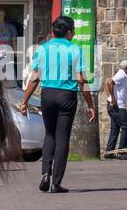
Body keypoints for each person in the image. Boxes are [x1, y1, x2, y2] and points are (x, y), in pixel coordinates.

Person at [19, 16, 95, 193]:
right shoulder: (75, 49)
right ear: (69, 32)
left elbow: (35, 78)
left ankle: (45, 173)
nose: (74, 33)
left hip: (47, 95)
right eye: (73, 30)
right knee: (62, 138)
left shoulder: (43, 49)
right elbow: (81, 80)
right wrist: (91, 105)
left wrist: (24, 101)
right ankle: (56, 182)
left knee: (50, 135)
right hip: (67, 96)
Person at [104, 60, 127, 158]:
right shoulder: (122, 74)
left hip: (114, 106)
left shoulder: (121, 75)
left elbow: (107, 83)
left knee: (115, 129)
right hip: (118, 107)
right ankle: (121, 153)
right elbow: (109, 83)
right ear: (126, 68)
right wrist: (112, 98)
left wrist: (110, 98)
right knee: (126, 127)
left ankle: (109, 152)